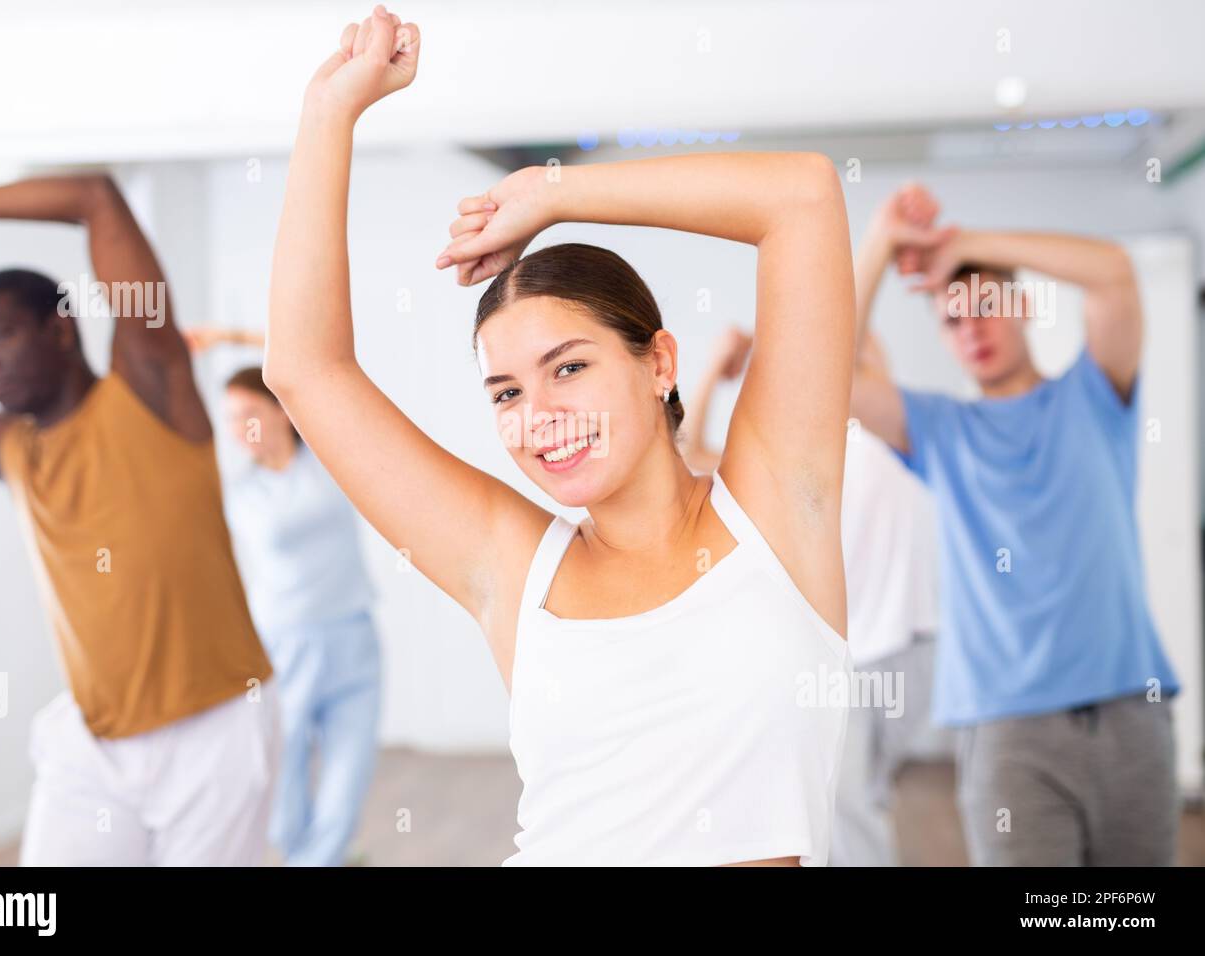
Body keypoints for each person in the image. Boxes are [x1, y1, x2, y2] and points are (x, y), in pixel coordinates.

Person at [264, 5, 854, 866]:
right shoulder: (514, 567)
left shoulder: (776, 511)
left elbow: (801, 198)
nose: (538, 413)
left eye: (569, 367)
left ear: (660, 363)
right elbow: (307, 372)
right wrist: (328, 114)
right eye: (506, 390)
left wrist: (555, 191)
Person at [0, 175, 278, 865]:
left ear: (60, 326)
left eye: (0, 335)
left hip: (217, 730)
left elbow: (96, 198)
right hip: (92, 745)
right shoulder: (9, 449)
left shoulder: (149, 384)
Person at [849, 183, 1181, 866]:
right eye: (952, 318)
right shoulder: (940, 430)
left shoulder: (1094, 393)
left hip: (1130, 713)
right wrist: (881, 241)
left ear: (1023, 306)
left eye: (986, 305)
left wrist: (964, 246)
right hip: (1008, 732)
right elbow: (822, 374)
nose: (971, 327)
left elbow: (1113, 272)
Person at [682, 325, 942, 866]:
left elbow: (859, 342)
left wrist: (777, 336)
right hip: (842, 660)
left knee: (852, 798)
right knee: (846, 800)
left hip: (904, 648)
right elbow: (690, 457)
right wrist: (714, 368)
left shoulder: (892, 435)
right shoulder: (796, 460)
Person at [186, 326, 382, 867]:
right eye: (228, 417)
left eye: (248, 412)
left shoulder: (325, 457)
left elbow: (311, 353)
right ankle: (311, 859)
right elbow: (192, 432)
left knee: (348, 774)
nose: (236, 428)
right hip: (281, 644)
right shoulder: (236, 485)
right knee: (283, 775)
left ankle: (323, 857)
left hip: (353, 635)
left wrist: (232, 337)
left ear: (281, 411)